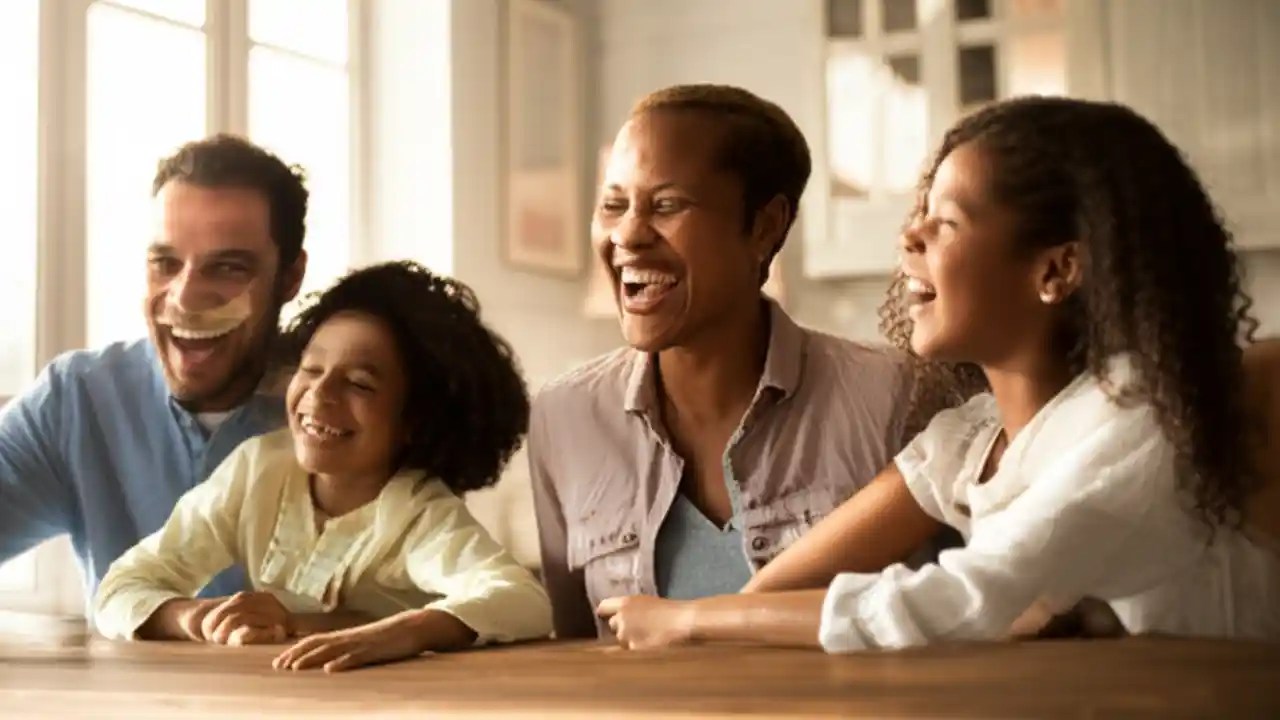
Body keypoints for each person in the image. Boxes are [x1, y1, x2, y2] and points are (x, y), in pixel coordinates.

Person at [595, 96, 1280, 651]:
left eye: (945, 224)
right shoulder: (971, 441)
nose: (908, 237)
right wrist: (711, 621)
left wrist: (688, 619)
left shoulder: (1135, 418)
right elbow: (767, 594)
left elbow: (955, 601)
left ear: (1057, 270)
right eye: (919, 216)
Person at [530, 84, 923, 640]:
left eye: (667, 204)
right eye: (614, 204)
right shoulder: (565, 414)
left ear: (765, 226)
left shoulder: (892, 394)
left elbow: (966, 614)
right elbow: (572, 647)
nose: (627, 234)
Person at [94, 261, 552, 672]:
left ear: (416, 419)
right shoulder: (258, 470)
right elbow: (120, 588)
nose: (319, 396)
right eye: (311, 370)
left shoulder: (416, 513)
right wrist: (196, 617)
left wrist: (399, 633)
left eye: (359, 383)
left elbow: (525, 601)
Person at [0, 135, 308, 599]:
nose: (184, 299)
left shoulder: (344, 409)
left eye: (227, 269)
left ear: (289, 278)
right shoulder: (78, 399)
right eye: (165, 263)